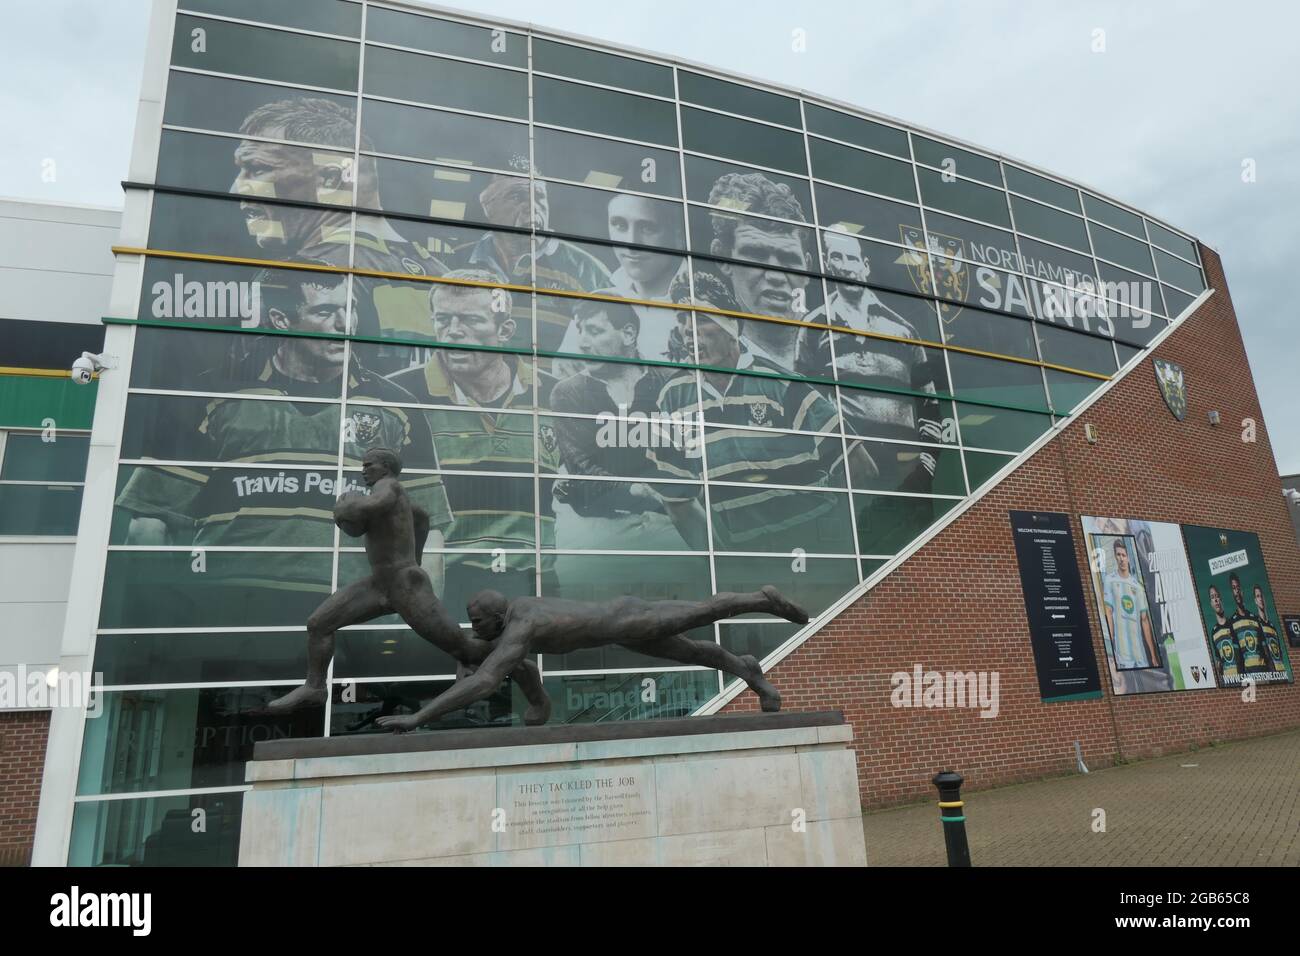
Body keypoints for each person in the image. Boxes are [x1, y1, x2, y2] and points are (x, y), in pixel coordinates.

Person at [118, 262, 453, 591]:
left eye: (348, 309)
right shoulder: (214, 396)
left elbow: (428, 529)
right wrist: (158, 606)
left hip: (352, 605)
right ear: (281, 320)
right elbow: (149, 521)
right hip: (230, 600)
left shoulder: (396, 405)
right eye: (324, 312)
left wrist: (422, 622)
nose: (344, 324)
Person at [266, 448, 550, 724]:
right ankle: (315, 687)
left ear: (386, 468)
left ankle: (525, 673)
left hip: (404, 585)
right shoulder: (399, 502)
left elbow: (371, 506)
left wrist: (345, 504)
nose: (363, 471)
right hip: (380, 584)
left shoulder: (389, 487)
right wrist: (414, 558)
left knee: (466, 651)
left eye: (369, 465)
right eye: (363, 466)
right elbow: (420, 518)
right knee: (318, 623)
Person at [375, 585, 810, 732]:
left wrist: (419, 718)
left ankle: (761, 598)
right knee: (696, 653)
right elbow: (496, 659)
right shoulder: (521, 609)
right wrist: (469, 657)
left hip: (629, 621)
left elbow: (488, 680)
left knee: (704, 612)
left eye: (476, 622)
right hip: (622, 624)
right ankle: (756, 678)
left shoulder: (520, 629)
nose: (473, 630)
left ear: (496, 616)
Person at [650, 272, 876, 552]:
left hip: (816, 552)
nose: (688, 329)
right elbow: (677, 501)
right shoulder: (673, 397)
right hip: (751, 564)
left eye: (701, 318)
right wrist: (724, 564)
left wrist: (833, 540)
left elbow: (860, 466)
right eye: (682, 319)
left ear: (733, 324)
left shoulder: (781, 382)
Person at [231, 97, 446, 365]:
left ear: (331, 179)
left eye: (257, 169)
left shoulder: (294, 281)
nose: (237, 188)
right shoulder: (443, 274)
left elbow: (257, 387)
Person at [386, 272, 559, 601]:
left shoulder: (553, 395)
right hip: (443, 584)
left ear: (505, 330)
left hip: (536, 580)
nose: (452, 331)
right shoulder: (400, 394)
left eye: (468, 319)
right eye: (443, 319)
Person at [548, 297, 688, 562]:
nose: (583, 342)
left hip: (668, 525)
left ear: (628, 334)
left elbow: (688, 455)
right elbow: (581, 468)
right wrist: (634, 489)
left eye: (595, 330)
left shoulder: (669, 382)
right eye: (580, 331)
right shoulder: (568, 392)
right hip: (594, 532)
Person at [458, 156, 611, 355]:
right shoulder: (458, 261)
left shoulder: (586, 269)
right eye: (517, 196)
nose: (532, 207)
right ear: (488, 207)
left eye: (539, 197)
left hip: (551, 385)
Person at [556, 192, 685, 364]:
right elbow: (563, 372)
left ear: (678, 236)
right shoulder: (597, 298)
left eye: (647, 228)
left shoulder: (708, 300)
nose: (631, 243)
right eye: (619, 225)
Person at [706, 172, 814, 371]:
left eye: (789, 259)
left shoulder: (834, 356)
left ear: (807, 267)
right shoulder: (711, 369)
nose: (775, 275)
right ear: (723, 258)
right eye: (757, 255)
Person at [1101, 538, 1158, 670]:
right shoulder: (1110, 580)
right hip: (1122, 653)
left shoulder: (1138, 586)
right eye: (1118, 555)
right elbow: (1108, 613)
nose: (1121, 558)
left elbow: (1144, 621)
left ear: (1128, 558)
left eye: (1124, 555)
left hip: (1140, 655)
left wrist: (1153, 655)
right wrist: (1111, 646)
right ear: (1115, 557)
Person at [1252, 584, 1287, 674]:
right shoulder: (1256, 624)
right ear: (1255, 601)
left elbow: (1279, 651)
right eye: (1258, 596)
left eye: (1262, 596)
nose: (1261, 599)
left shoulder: (1272, 626)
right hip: (1270, 673)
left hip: (1281, 672)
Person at [1207, 585, 1239, 684]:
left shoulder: (1233, 624)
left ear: (1221, 599)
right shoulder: (1214, 632)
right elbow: (1218, 661)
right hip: (1228, 682)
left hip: (1242, 678)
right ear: (1211, 603)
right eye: (1212, 597)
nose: (1215, 599)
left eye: (1217, 596)